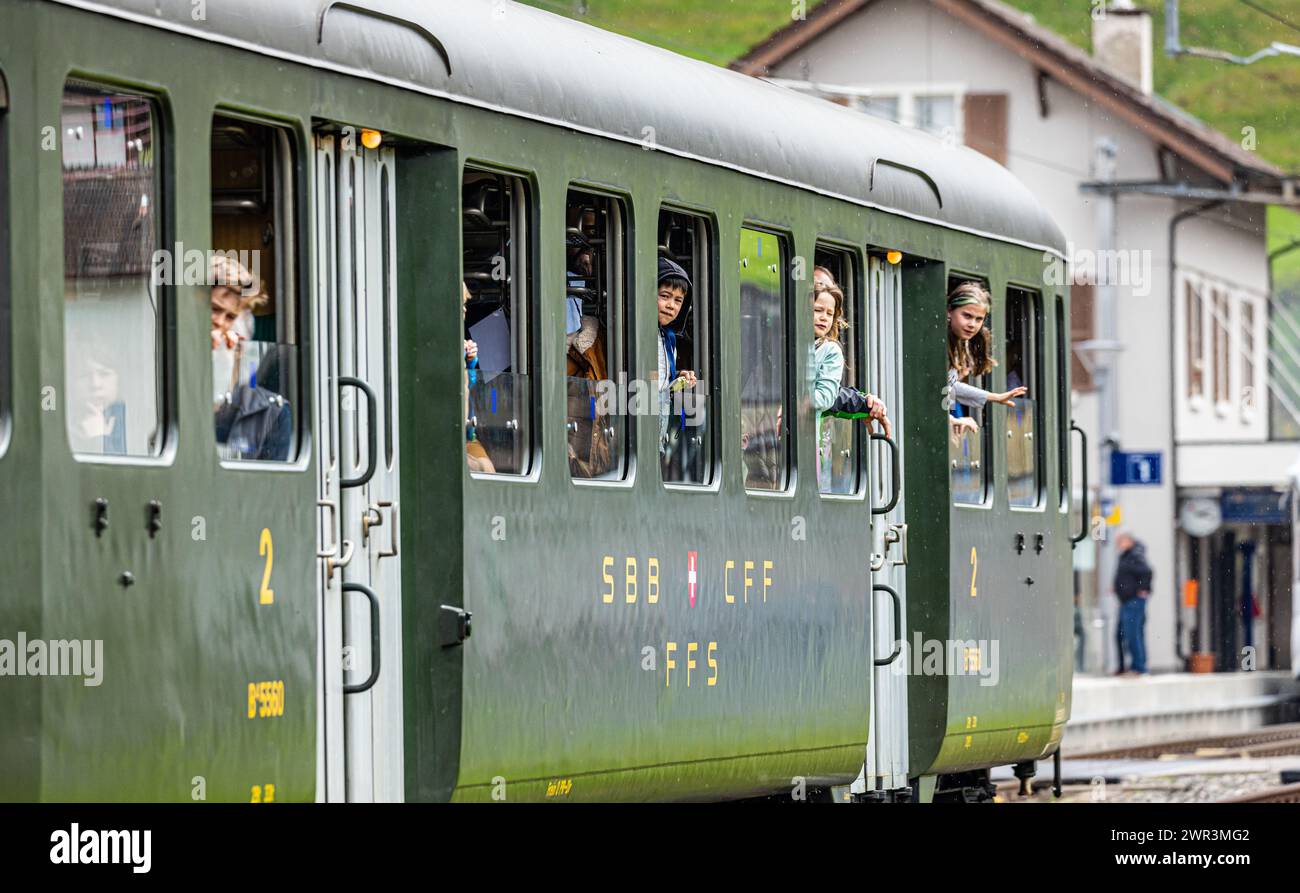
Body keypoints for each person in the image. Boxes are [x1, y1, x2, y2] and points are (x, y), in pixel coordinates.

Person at [657, 257, 698, 463]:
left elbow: (660, 386)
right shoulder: (642, 333)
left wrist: (677, 380)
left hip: (659, 432)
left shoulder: (668, 339)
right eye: (665, 296)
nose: (671, 306)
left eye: (678, 300)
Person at [463, 282, 496, 473]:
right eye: (461, 305)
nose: (464, 310)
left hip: (469, 434)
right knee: (483, 468)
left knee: (488, 469)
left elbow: (470, 385)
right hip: (456, 435)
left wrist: (470, 363)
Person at [1113, 532, 1153, 676]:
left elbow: (1147, 572)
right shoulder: (1126, 556)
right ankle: (1125, 666)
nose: (1118, 544)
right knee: (1121, 634)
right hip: (1126, 601)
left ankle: (1139, 667)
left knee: (1132, 634)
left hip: (1133, 602)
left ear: (1129, 541)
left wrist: (1142, 589)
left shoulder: (1135, 555)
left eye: (1121, 541)